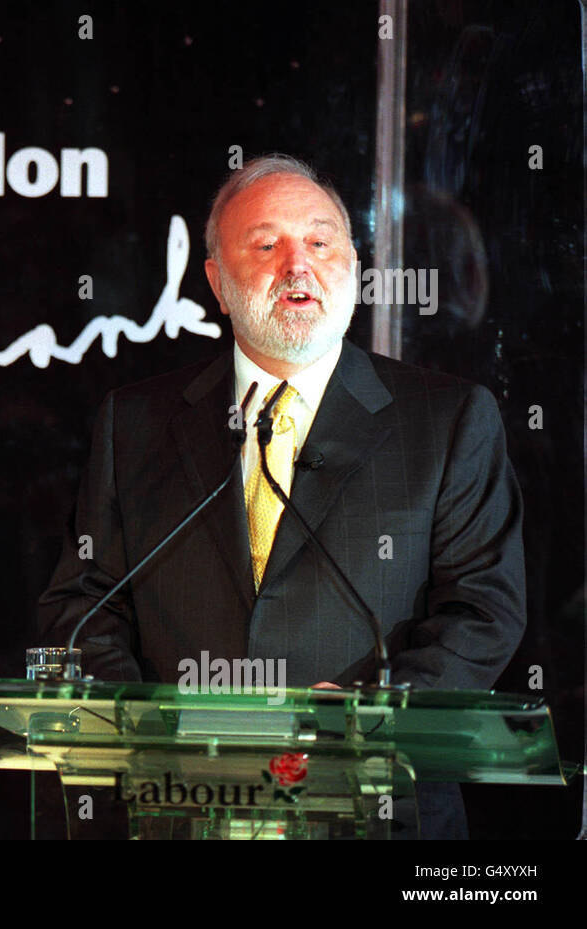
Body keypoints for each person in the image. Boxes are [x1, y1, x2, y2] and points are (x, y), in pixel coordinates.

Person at [37, 154, 526, 839]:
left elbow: (484, 610)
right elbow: (83, 602)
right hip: (180, 807)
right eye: (267, 245)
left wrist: (365, 718)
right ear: (216, 279)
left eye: (321, 242)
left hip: (373, 809)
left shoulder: (446, 421)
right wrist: (153, 727)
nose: (299, 264)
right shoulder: (137, 422)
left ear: (353, 263)